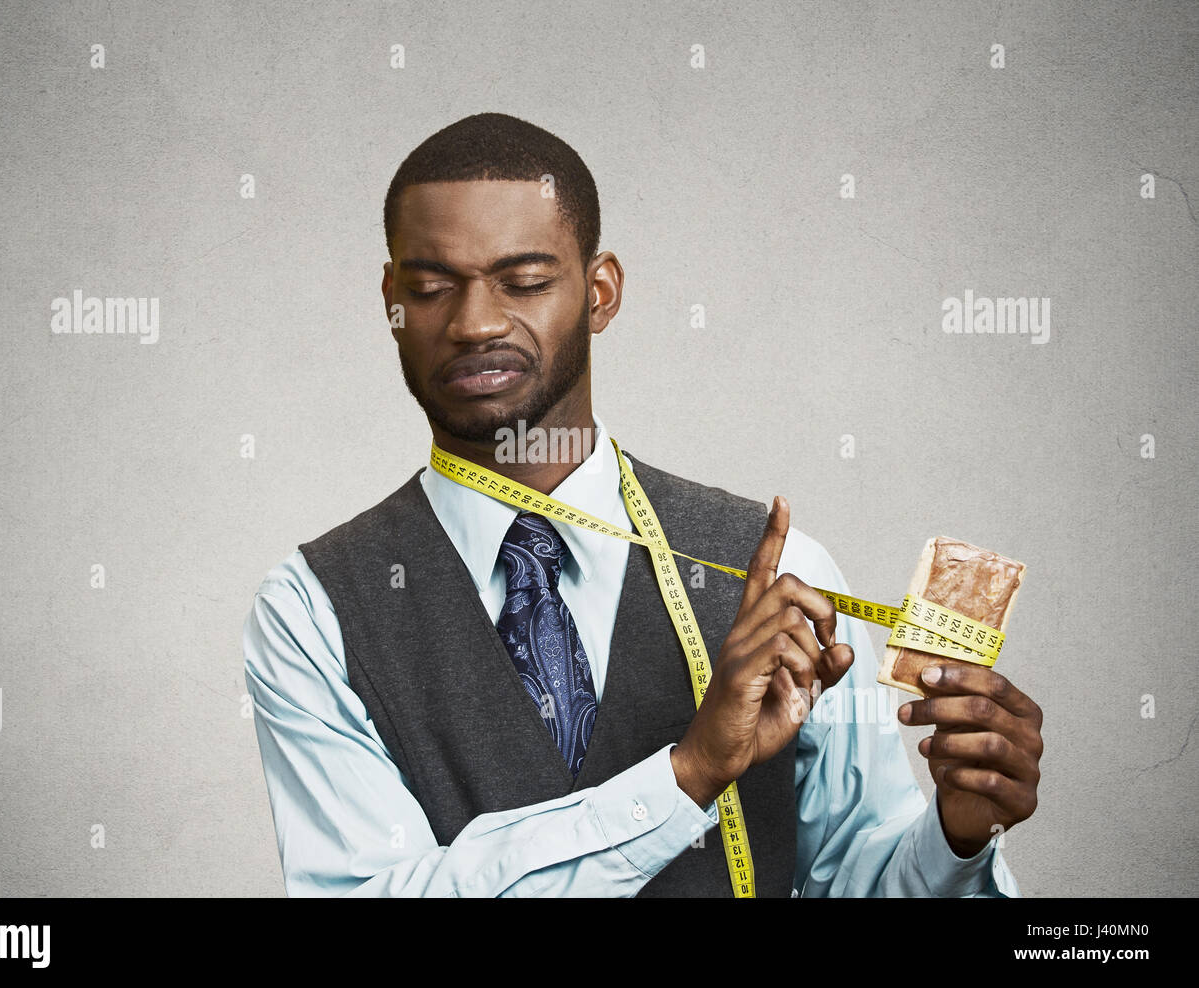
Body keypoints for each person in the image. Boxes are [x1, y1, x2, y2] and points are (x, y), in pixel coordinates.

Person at [242, 112, 1044, 897]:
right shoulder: (313, 611)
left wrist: (956, 841)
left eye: (524, 282)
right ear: (391, 301)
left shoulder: (780, 577)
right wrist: (687, 776)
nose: (474, 323)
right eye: (430, 287)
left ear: (601, 293)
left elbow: (859, 883)